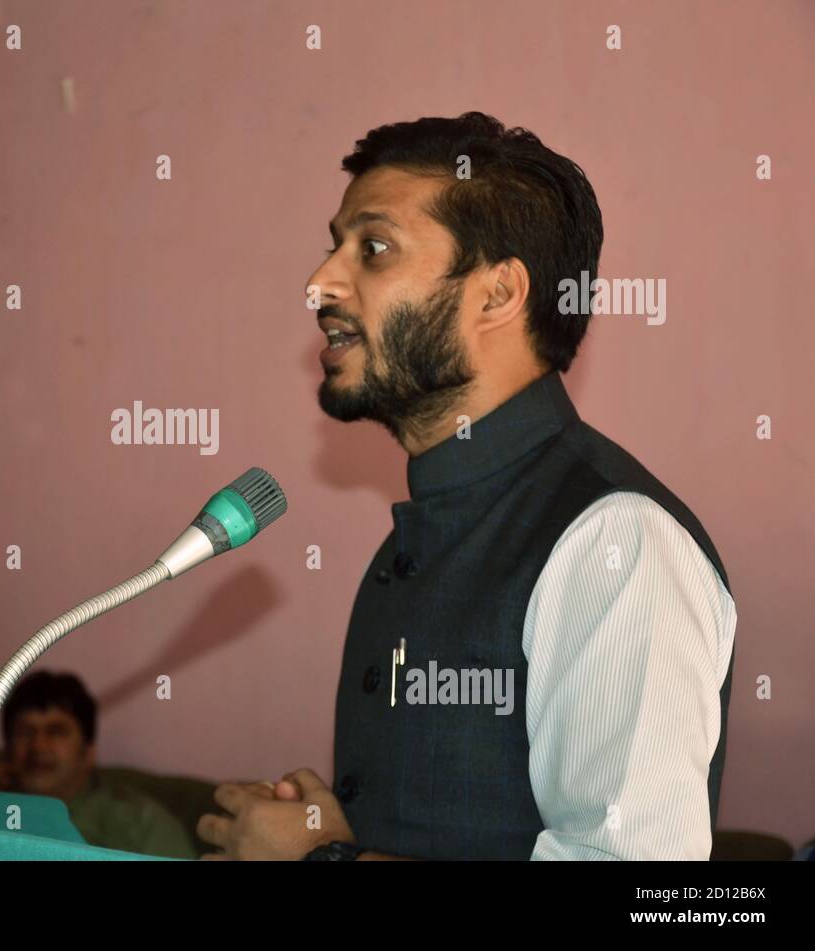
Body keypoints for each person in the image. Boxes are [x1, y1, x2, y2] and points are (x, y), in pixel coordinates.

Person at [198, 112, 737, 861]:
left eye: (374, 248)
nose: (319, 283)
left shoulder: (615, 539)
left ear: (496, 295)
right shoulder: (422, 534)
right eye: (334, 246)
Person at [0, 672, 196, 859]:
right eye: (26, 732)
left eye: (57, 732)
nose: (39, 746)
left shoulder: (141, 823)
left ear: (89, 751)